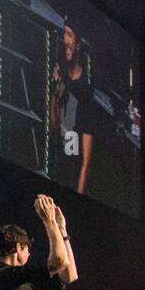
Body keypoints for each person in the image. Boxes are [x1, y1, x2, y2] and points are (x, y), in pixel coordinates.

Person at [49, 22, 94, 195]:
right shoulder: (62, 78)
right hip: (57, 167)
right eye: (63, 34)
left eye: (69, 34)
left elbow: (86, 160)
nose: (65, 40)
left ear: (78, 45)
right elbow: (54, 127)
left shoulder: (86, 91)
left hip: (72, 178)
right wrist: (54, 92)